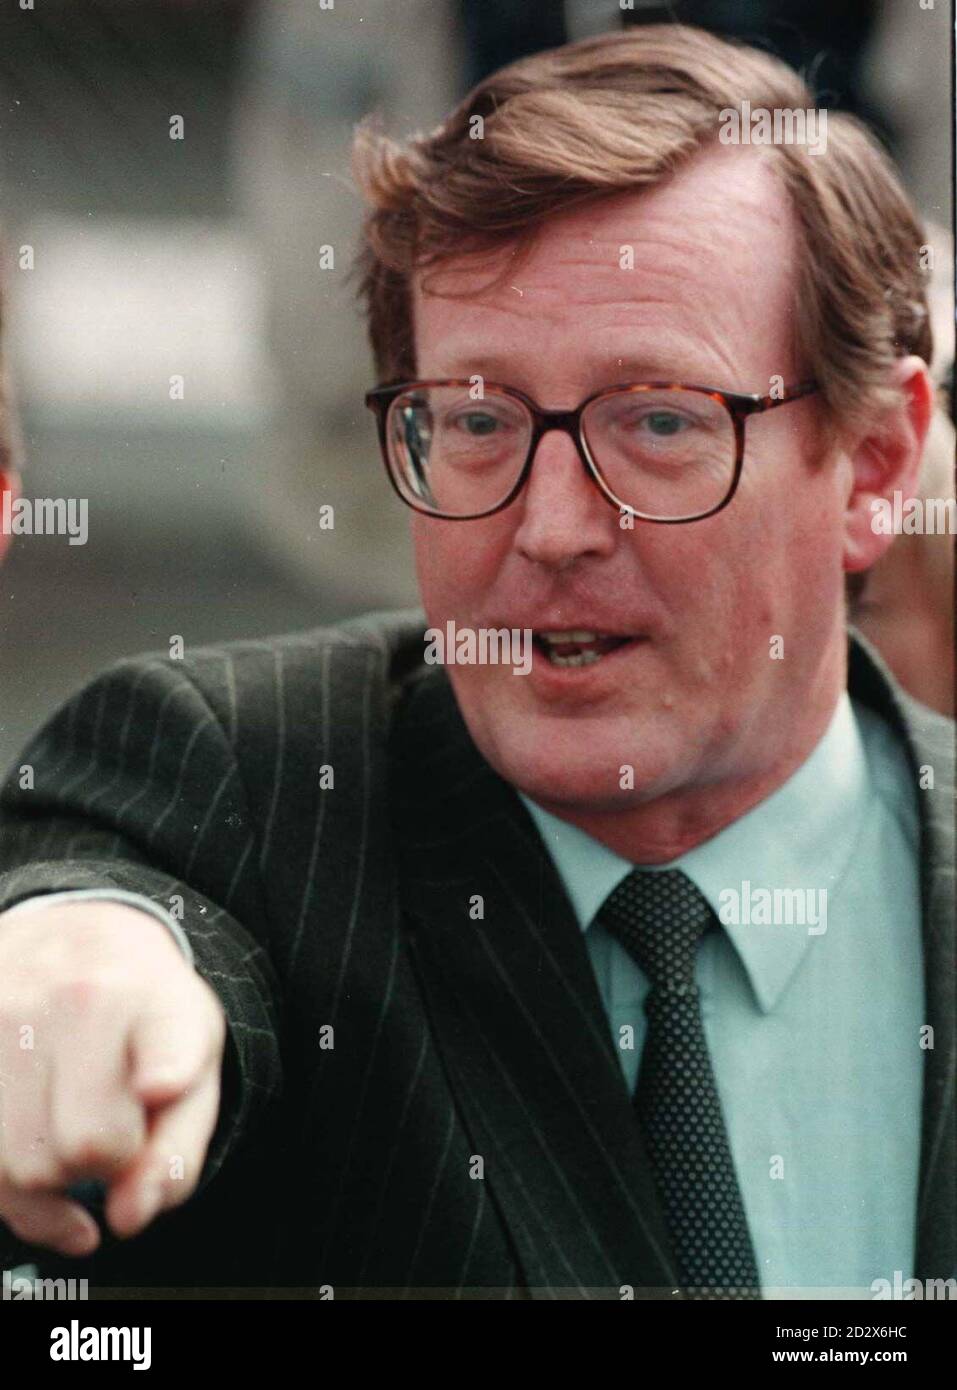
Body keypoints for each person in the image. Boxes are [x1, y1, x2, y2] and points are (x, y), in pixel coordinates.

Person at [0, 25, 952, 1301]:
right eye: (476, 423)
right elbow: (114, 889)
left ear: (878, 462)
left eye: (660, 421)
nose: (552, 527)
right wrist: (78, 955)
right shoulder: (251, 783)